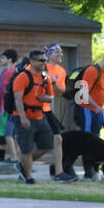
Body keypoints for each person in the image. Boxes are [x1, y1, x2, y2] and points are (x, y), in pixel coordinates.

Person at [11, 49, 57, 185]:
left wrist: (46, 98)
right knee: (26, 148)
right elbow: (17, 99)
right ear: (32, 61)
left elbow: (51, 97)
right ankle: (28, 177)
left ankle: (22, 165)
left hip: (40, 116)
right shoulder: (23, 77)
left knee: (47, 145)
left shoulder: (45, 78)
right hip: (24, 116)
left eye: (45, 60)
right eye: (41, 60)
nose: (44, 63)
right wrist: (22, 118)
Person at [40, 45, 76, 181]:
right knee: (41, 143)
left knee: (57, 139)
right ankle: (24, 165)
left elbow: (60, 92)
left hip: (46, 109)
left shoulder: (61, 71)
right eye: (57, 51)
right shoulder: (40, 66)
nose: (61, 54)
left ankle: (59, 173)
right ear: (48, 54)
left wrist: (52, 80)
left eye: (61, 51)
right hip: (33, 108)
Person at [0, 49, 21, 162]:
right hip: (1, 107)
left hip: (6, 108)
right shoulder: (5, 71)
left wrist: (6, 106)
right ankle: (17, 156)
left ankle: (15, 157)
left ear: (9, 59)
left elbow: (9, 91)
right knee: (8, 133)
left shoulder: (12, 71)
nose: (1, 60)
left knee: (7, 133)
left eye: (3, 58)